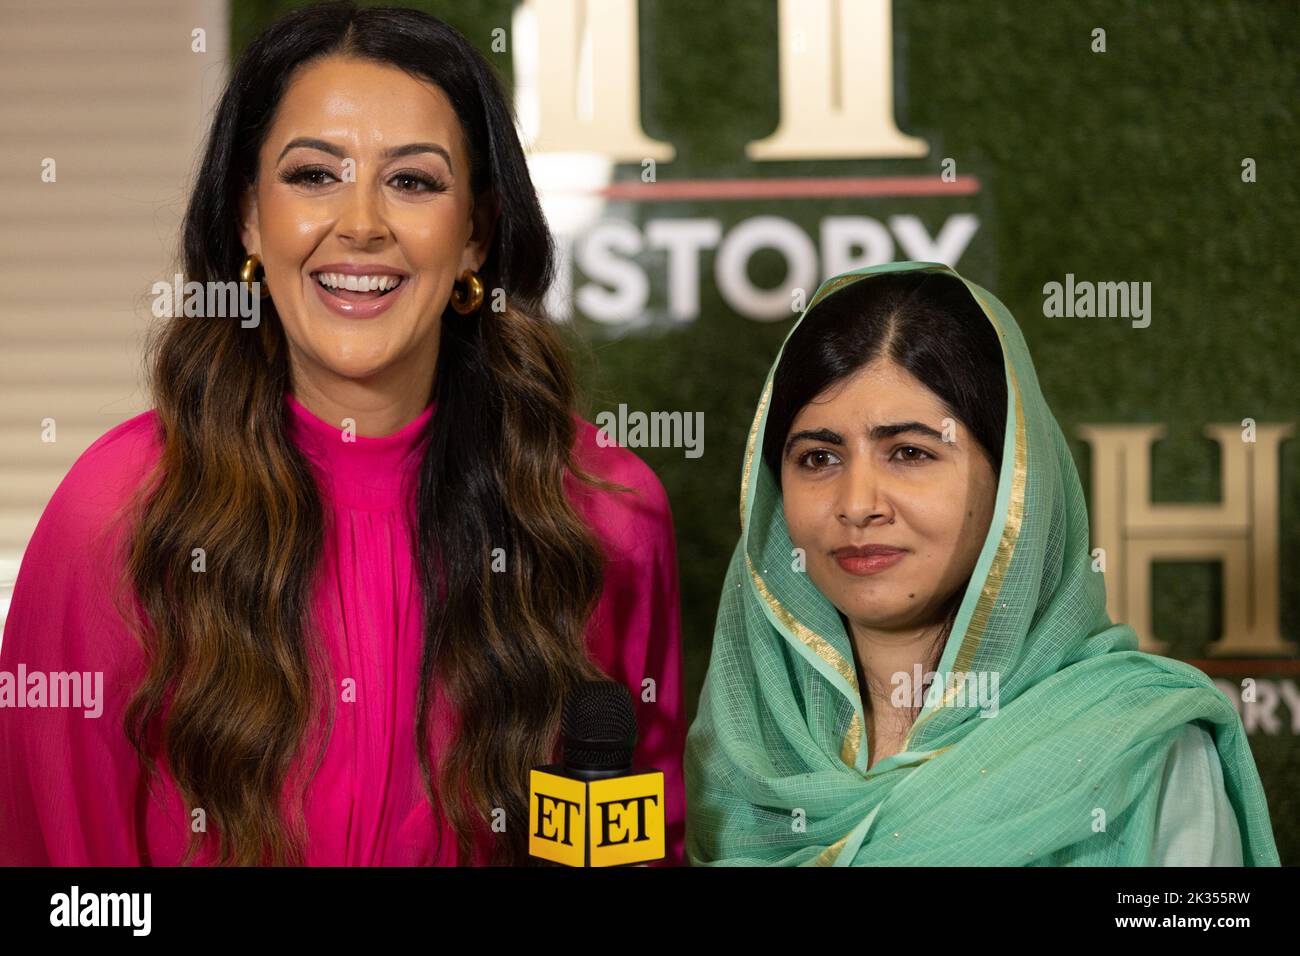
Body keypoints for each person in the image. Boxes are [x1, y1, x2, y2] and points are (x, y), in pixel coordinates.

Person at [0, 2, 685, 866]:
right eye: (315, 175)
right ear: (248, 216)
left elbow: (638, 845)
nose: (361, 223)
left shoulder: (603, 515)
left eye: (414, 181)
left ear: (474, 233)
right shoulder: (114, 518)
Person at [684, 261, 1279, 866]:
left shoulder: (1140, 746)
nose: (858, 504)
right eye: (817, 459)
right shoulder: (745, 752)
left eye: (910, 452)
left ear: (1016, 480)